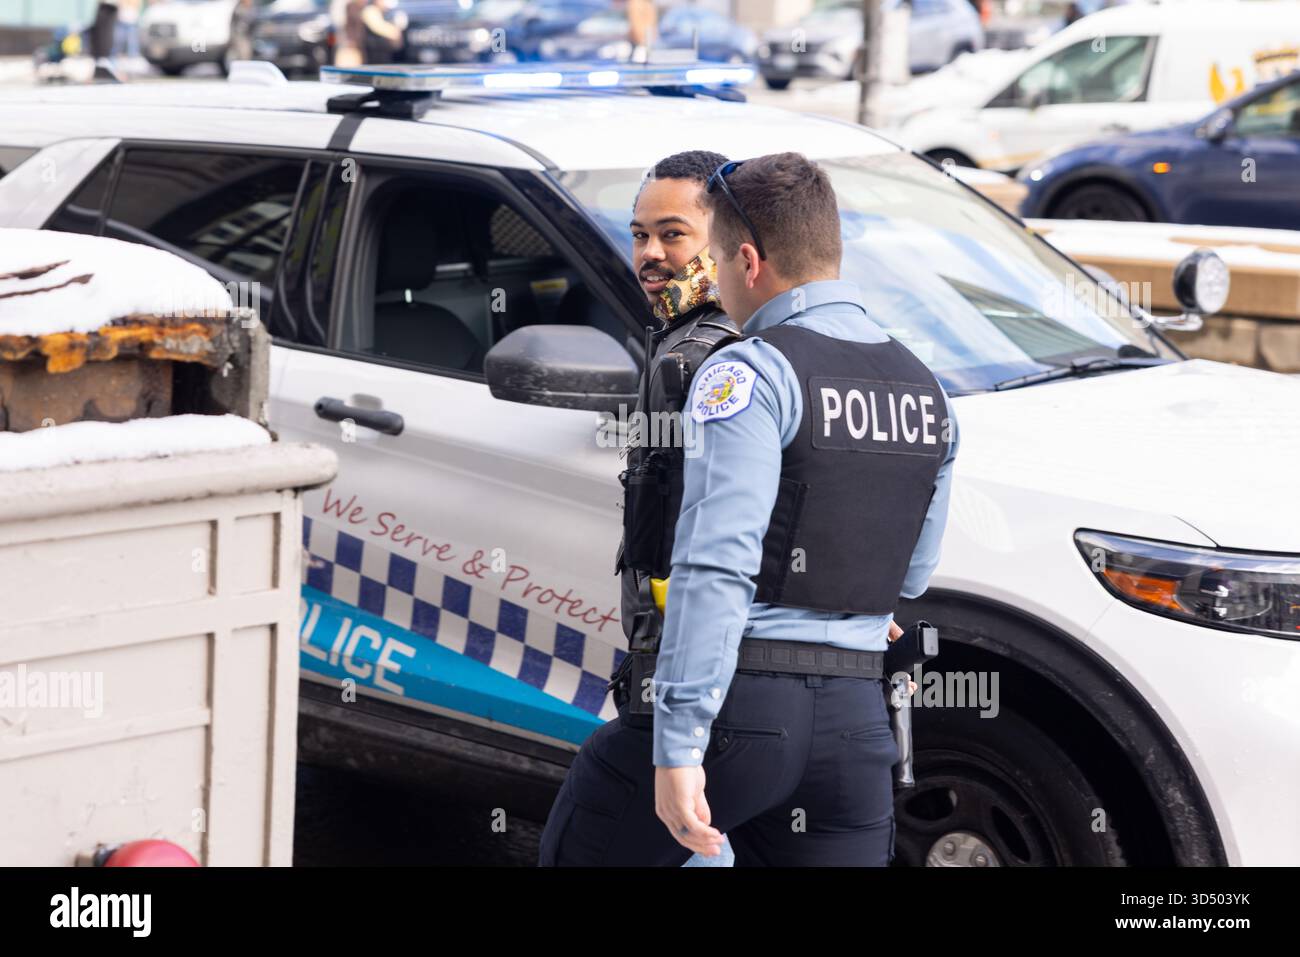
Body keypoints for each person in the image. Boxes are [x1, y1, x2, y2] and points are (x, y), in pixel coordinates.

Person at [538, 152, 958, 866]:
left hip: (744, 709)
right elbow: (911, 575)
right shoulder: (927, 389)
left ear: (749, 261)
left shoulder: (749, 371)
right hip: (858, 732)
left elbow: (714, 566)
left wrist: (677, 747)